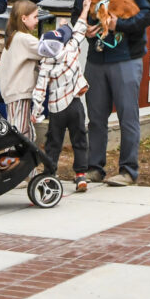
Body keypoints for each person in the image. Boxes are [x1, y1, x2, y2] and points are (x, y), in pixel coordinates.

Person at [71, 0, 150, 186]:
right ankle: (94, 168)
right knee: (96, 117)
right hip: (97, 58)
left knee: (127, 116)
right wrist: (85, 27)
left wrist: (120, 24)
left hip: (126, 58)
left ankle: (128, 170)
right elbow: (75, 12)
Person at [37, 18, 90, 192]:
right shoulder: (70, 53)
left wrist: (37, 112)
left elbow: (39, 90)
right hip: (74, 104)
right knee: (79, 139)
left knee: (53, 142)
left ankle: (49, 174)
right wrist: (84, 9)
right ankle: (81, 175)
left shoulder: (44, 65)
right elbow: (79, 32)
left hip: (55, 108)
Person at [0, 0, 44, 139]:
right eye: (35, 17)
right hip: (19, 92)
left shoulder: (14, 36)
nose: (37, 21)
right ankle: (13, 158)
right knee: (19, 132)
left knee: (18, 127)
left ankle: (16, 156)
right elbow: (47, 50)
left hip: (12, 91)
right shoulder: (25, 39)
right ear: (24, 18)